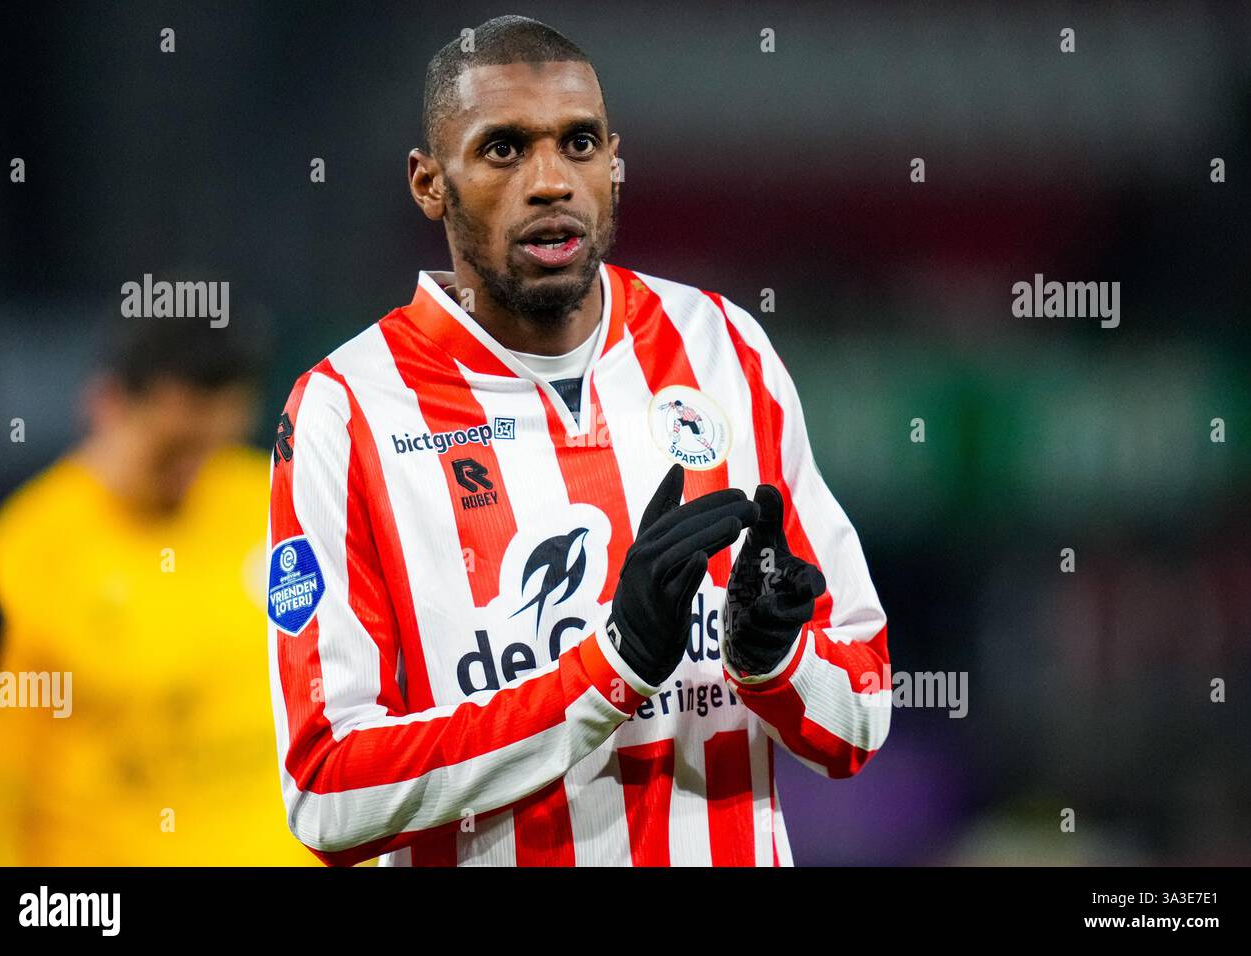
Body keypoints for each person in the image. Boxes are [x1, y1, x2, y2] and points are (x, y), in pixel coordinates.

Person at [267, 15, 890, 867]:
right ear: (428, 183)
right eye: (504, 150)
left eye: (579, 143)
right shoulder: (347, 411)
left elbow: (860, 717)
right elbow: (328, 793)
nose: (551, 181)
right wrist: (610, 668)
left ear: (615, 163)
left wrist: (777, 661)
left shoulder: (722, 346)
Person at [0, 315, 313, 865]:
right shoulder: (24, 558)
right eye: (172, 449)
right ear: (108, 404)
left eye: (211, 446)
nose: (193, 471)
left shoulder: (273, 501)